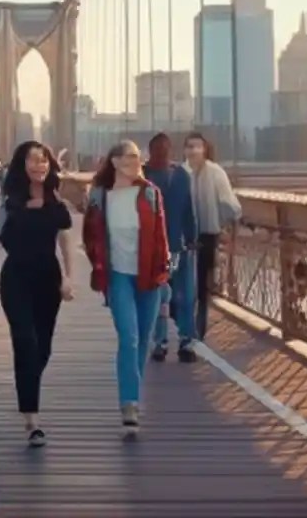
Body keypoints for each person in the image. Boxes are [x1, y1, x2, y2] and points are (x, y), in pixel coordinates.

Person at [0, 140, 73, 447]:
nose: (40, 165)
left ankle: (26, 381)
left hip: (49, 280)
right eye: (34, 160)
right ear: (22, 164)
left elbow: (65, 241)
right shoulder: (9, 200)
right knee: (25, 342)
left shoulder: (54, 196)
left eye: (45, 160)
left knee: (42, 349)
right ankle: (32, 420)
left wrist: (69, 278)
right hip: (16, 280)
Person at [82, 140, 170, 438]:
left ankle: (133, 392)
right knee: (129, 337)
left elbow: (161, 237)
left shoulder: (150, 193)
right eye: (131, 157)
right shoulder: (99, 196)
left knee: (144, 337)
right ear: (116, 162)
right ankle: (129, 403)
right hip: (118, 276)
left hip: (149, 276)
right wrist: (98, 265)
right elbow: (90, 236)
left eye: (138, 157)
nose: (137, 162)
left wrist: (164, 270)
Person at [145, 134, 199, 363]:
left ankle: (186, 341)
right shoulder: (142, 177)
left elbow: (189, 209)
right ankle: (161, 342)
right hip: (152, 249)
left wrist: (193, 236)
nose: (162, 154)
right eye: (158, 150)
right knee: (159, 297)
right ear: (151, 151)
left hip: (179, 247)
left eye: (165, 150)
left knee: (185, 296)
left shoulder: (181, 176)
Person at [183, 133, 241, 341]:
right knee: (176, 277)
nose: (193, 151)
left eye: (197, 146)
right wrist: (233, 218)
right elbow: (230, 205)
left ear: (205, 149)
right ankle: (186, 325)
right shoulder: (182, 172)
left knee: (201, 282)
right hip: (180, 238)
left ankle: (196, 329)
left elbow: (228, 204)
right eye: (189, 147)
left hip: (206, 236)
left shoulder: (215, 172)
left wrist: (229, 221)